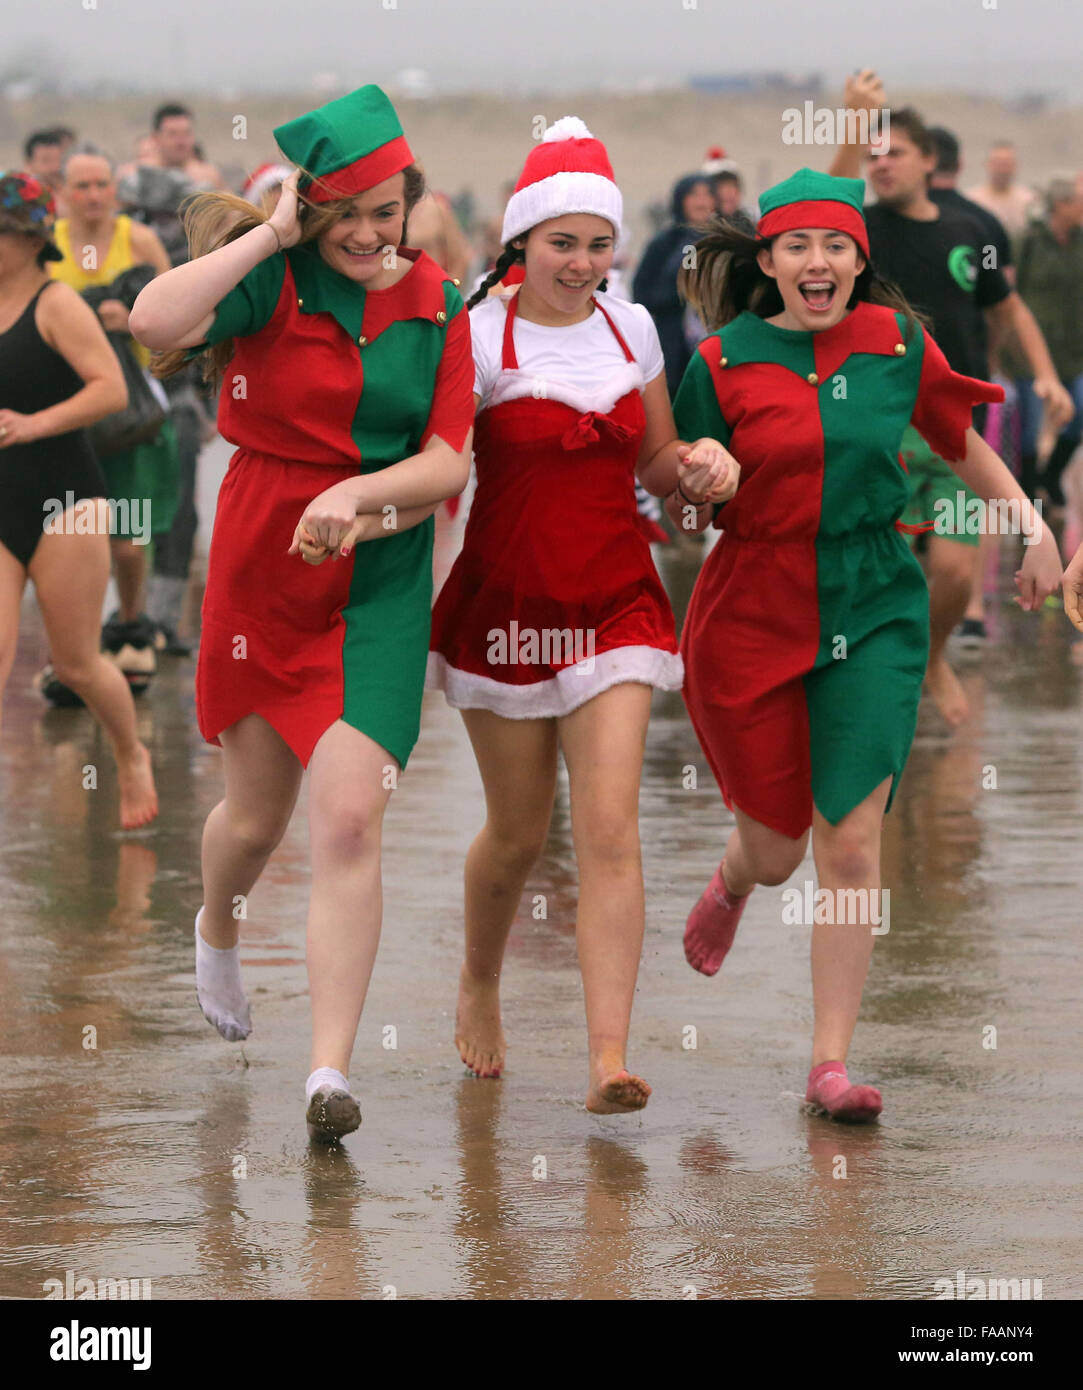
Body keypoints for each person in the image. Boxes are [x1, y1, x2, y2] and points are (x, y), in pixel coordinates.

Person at [670, 169, 1063, 1122]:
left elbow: (958, 438)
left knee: (849, 843)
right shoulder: (720, 360)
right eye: (797, 245)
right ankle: (733, 879)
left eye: (836, 246)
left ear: (858, 261)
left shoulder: (896, 341)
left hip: (873, 602)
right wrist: (700, 477)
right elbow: (681, 506)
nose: (819, 262)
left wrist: (1032, 523)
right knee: (776, 849)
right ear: (766, 260)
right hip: (753, 603)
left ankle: (829, 1066)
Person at [129, 85, 476, 1143]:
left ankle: (327, 1070)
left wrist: (354, 497)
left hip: (376, 578)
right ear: (312, 209)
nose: (371, 233)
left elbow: (448, 457)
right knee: (256, 819)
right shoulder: (270, 284)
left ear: (412, 201)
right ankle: (218, 924)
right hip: (260, 572)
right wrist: (272, 233)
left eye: (389, 208)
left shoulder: (443, 304)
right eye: (346, 213)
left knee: (348, 817)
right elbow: (153, 323)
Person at [427, 117, 735, 1113]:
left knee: (610, 828)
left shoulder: (631, 328)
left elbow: (655, 464)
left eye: (599, 244)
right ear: (521, 243)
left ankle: (609, 1053)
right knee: (518, 835)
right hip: (505, 609)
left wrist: (694, 474)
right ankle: (479, 978)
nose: (585, 262)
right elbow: (437, 465)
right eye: (563, 243)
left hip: (617, 603)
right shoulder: (475, 335)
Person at [831, 103, 1073, 725]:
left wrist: (1044, 377)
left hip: (958, 427)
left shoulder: (975, 229)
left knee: (956, 573)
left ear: (930, 160)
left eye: (896, 153)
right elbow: (824, 202)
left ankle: (933, 657)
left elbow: (1008, 309)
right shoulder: (856, 230)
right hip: (876, 421)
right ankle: (872, 685)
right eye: (873, 154)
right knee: (886, 568)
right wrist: (852, 122)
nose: (882, 164)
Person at [0, 172, 157, 828]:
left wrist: (33, 424)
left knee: (77, 664)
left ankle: (130, 755)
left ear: (33, 238)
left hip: (65, 499)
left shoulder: (58, 302)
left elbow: (110, 391)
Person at [47, 143, 180, 697]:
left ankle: (131, 627)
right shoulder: (45, 245)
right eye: (82, 186)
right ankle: (73, 654)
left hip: (132, 416)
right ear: (63, 193)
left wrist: (131, 321)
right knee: (65, 538)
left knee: (128, 539)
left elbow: (181, 319)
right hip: (62, 412)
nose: (94, 196)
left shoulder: (138, 240)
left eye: (103, 184)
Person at [1014, 176, 1083, 506]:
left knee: (1078, 415)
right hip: (1032, 352)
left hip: (1074, 352)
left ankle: (1051, 476)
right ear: (1062, 205)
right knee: (1028, 430)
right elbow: (1008, 294)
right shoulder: (1029, 241)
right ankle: (1028, 496)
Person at [633, 173, 718, 399]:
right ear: (681, 199)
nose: (702, 201)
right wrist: (681, 292)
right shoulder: (665, 242)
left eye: (708, 194)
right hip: (672, 342)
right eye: (694, 195)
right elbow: (642, 289)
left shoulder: (725, 239)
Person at [967, 141, 1037, 242]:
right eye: (998, 164)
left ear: (1015, 166)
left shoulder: (1028, 200)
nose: (1003, 170)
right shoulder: (973, 200)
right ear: (988, 164)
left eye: (1007, 164)